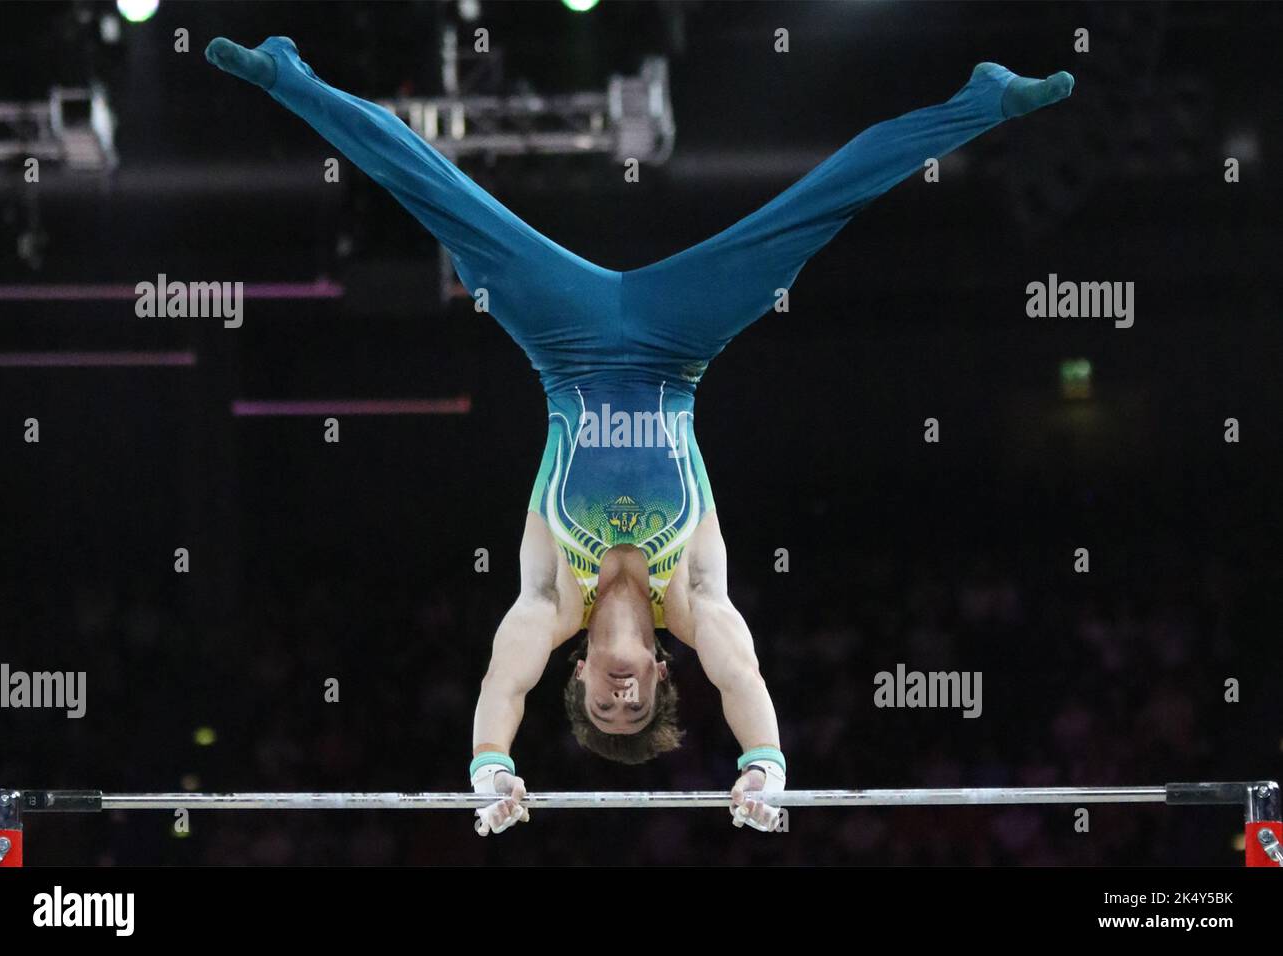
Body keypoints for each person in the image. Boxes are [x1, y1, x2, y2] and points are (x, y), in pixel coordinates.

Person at [205, 34, 1073, 836]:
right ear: (661, 673)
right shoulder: (693, 598)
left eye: (603, 705)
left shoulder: (550, 602)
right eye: (636, 704)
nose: (620, 694)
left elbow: (501, 682)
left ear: (577, 675)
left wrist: (490, 767)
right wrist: (764, 765)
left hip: (566, 345)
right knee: (817, 208)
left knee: (434, 193)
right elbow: (744, 678)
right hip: (676, 346)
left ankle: (292, 77)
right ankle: (980, 103)